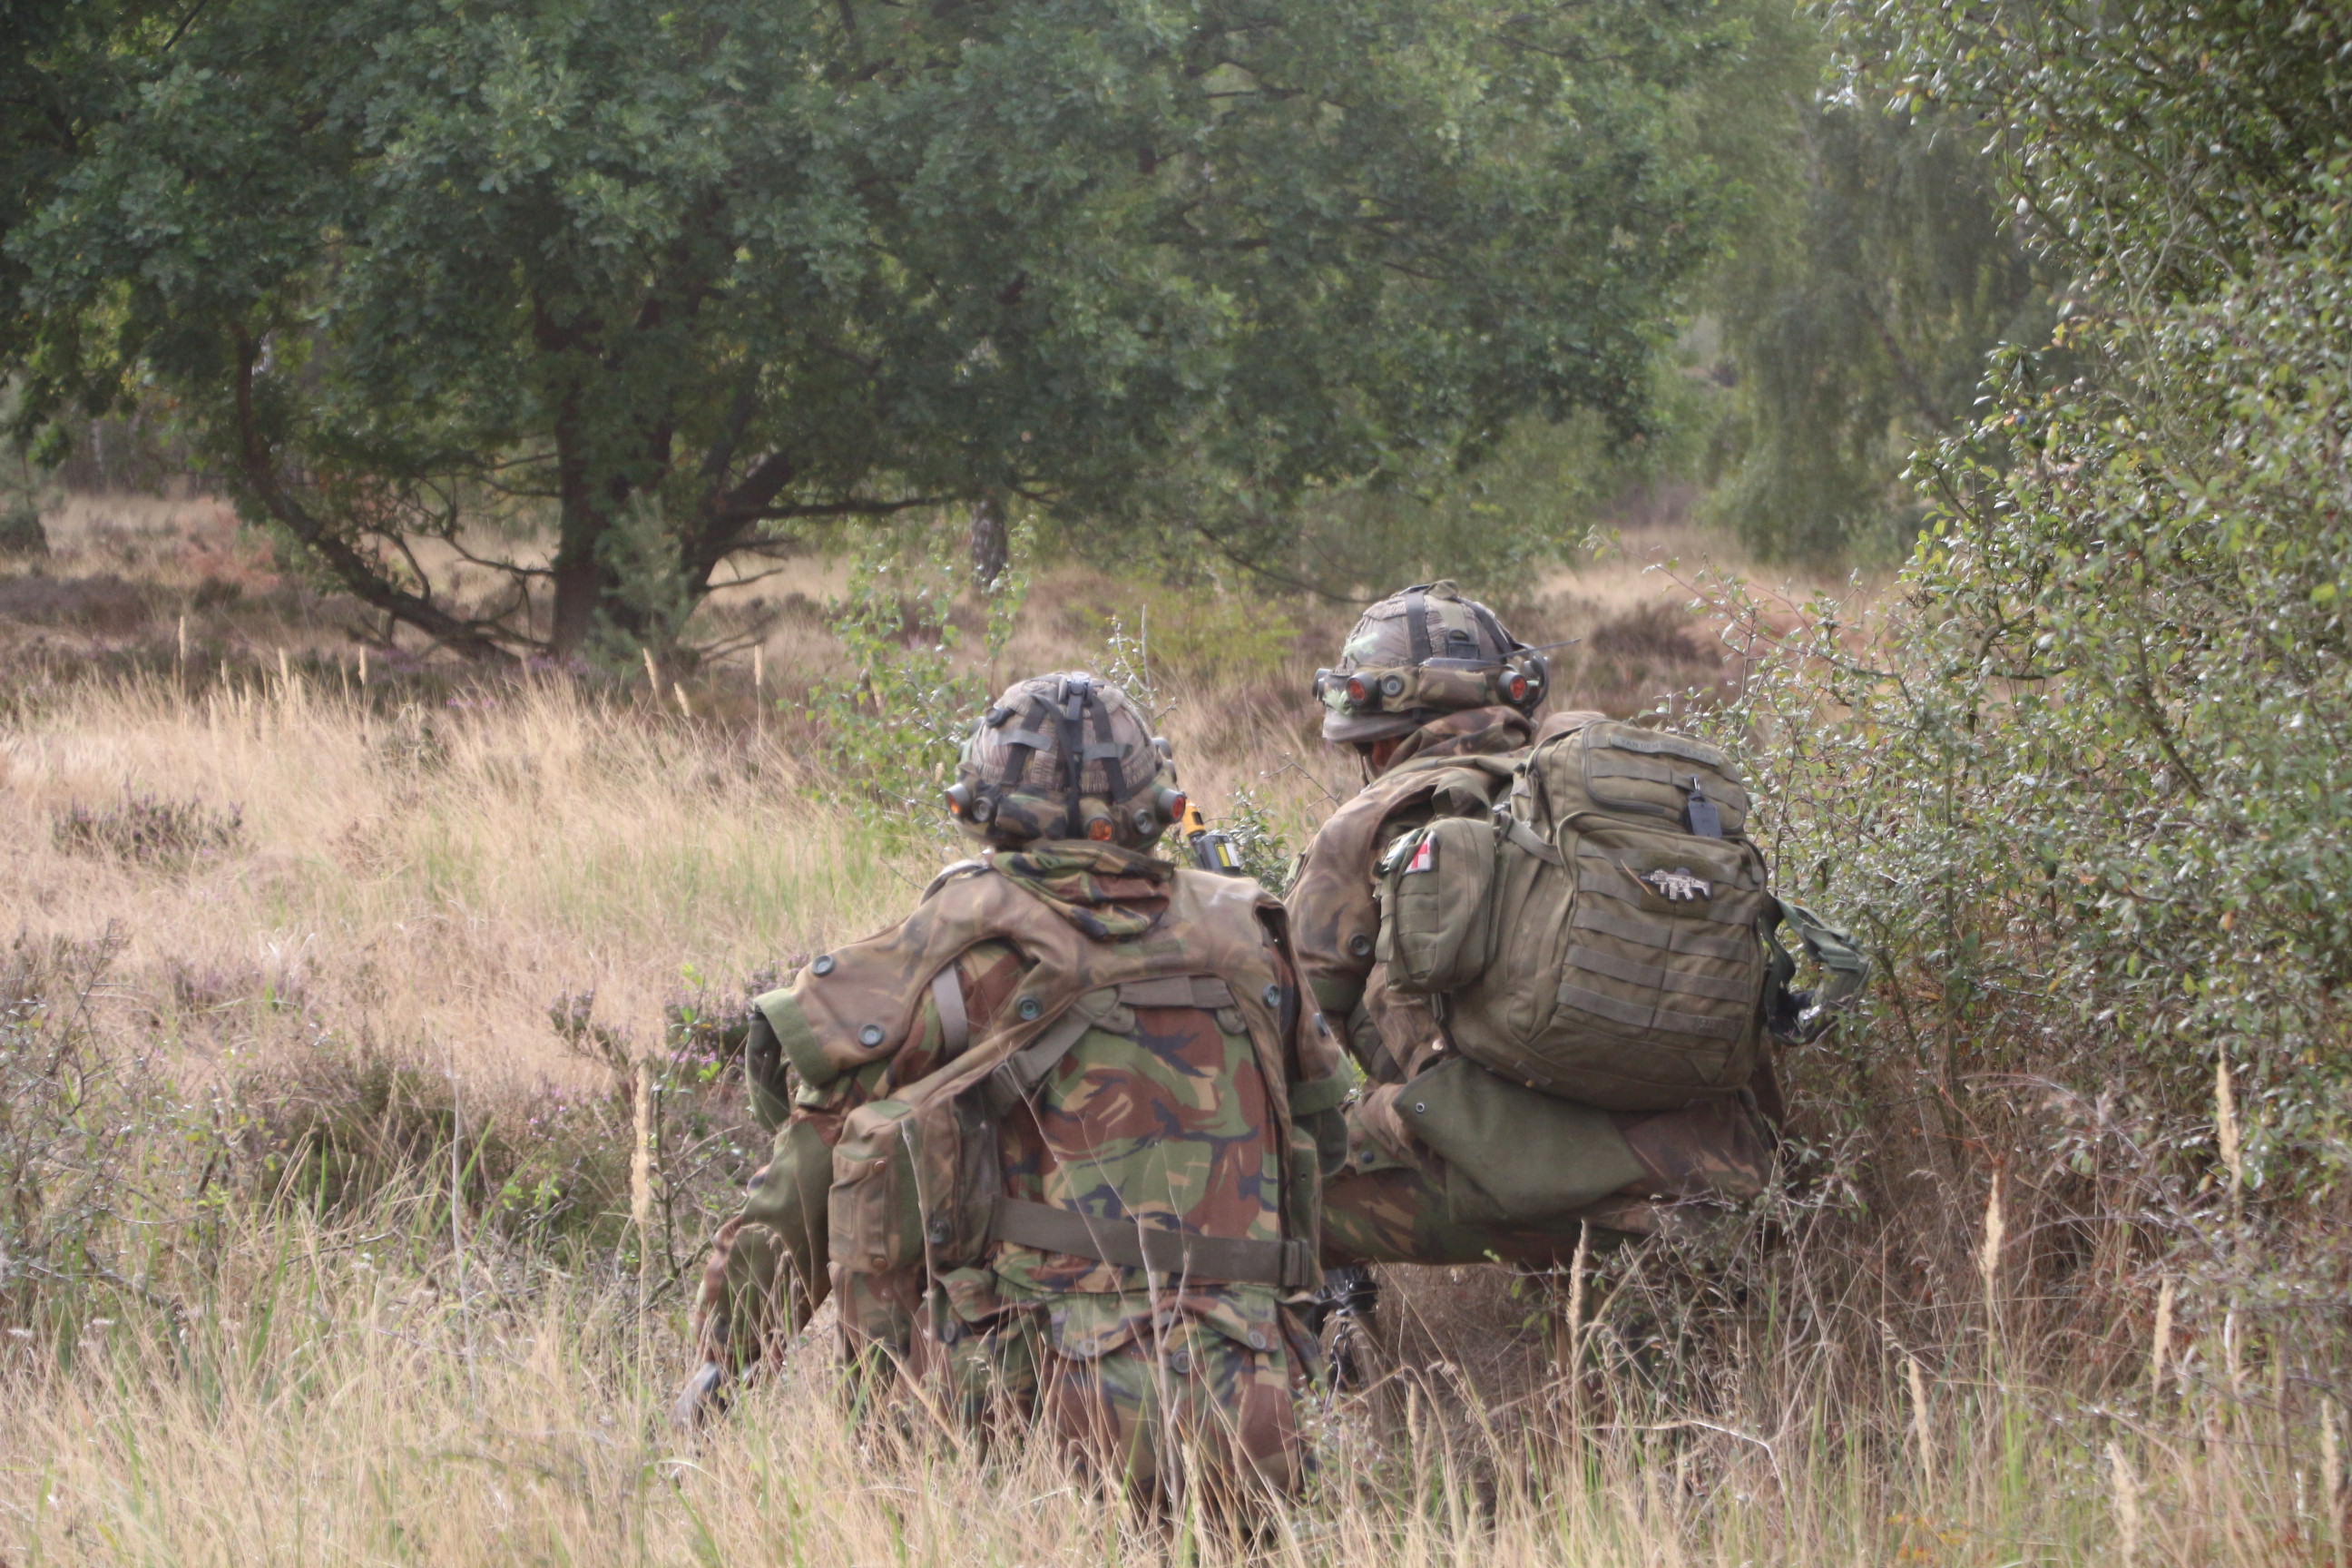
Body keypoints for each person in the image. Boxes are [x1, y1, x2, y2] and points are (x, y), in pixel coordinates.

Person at [677, 671, 1352, 1508]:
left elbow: (799, 1199)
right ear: (1156, 803)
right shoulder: (1251, 936)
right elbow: (1324, 1146)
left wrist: (722, 1371)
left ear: (978, 805)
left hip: (1019, 1424)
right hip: (1249, 1415)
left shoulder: (952, 951)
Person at [1287, 583, 1779, 1276]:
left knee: (1260, 1187)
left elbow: (1295, 1031)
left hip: (1528, 1189)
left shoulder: (1368, 823)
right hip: (1721, 1171)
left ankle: (1313, 1339)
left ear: (1380, 735)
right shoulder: (1599, 796)